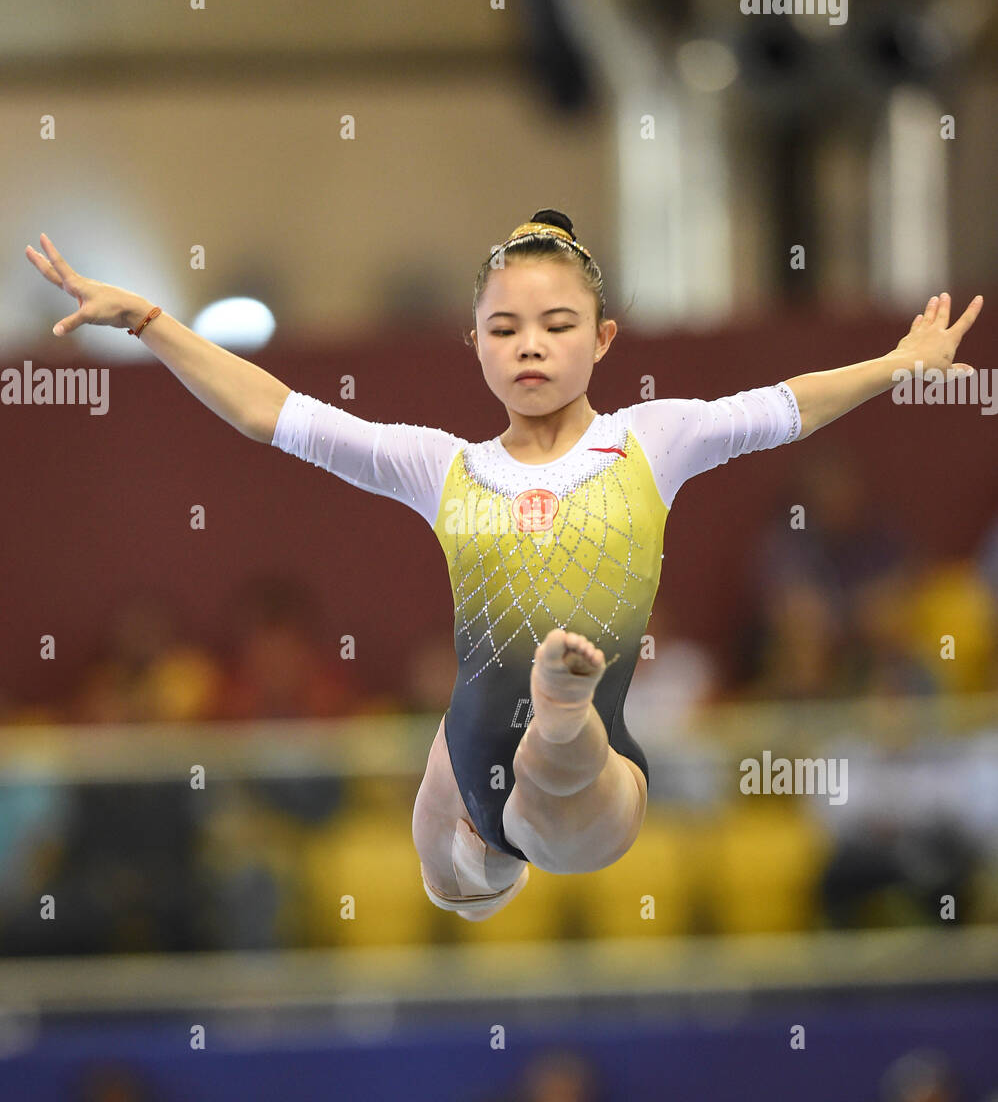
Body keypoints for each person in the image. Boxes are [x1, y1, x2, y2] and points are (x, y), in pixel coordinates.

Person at [25, 215, 984, 920]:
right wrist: (151, 320)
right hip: (472, 762)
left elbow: (785, 404)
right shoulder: (442, 466)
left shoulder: (653, 440)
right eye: (505, 328)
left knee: (558, 797)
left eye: (559, 325)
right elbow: (270, 412)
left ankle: (561, 710)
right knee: (455, 882)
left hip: (597, 769)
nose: (531, 344)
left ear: (603, 340)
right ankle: (506, 801)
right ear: (475, 343)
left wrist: (900, 361)